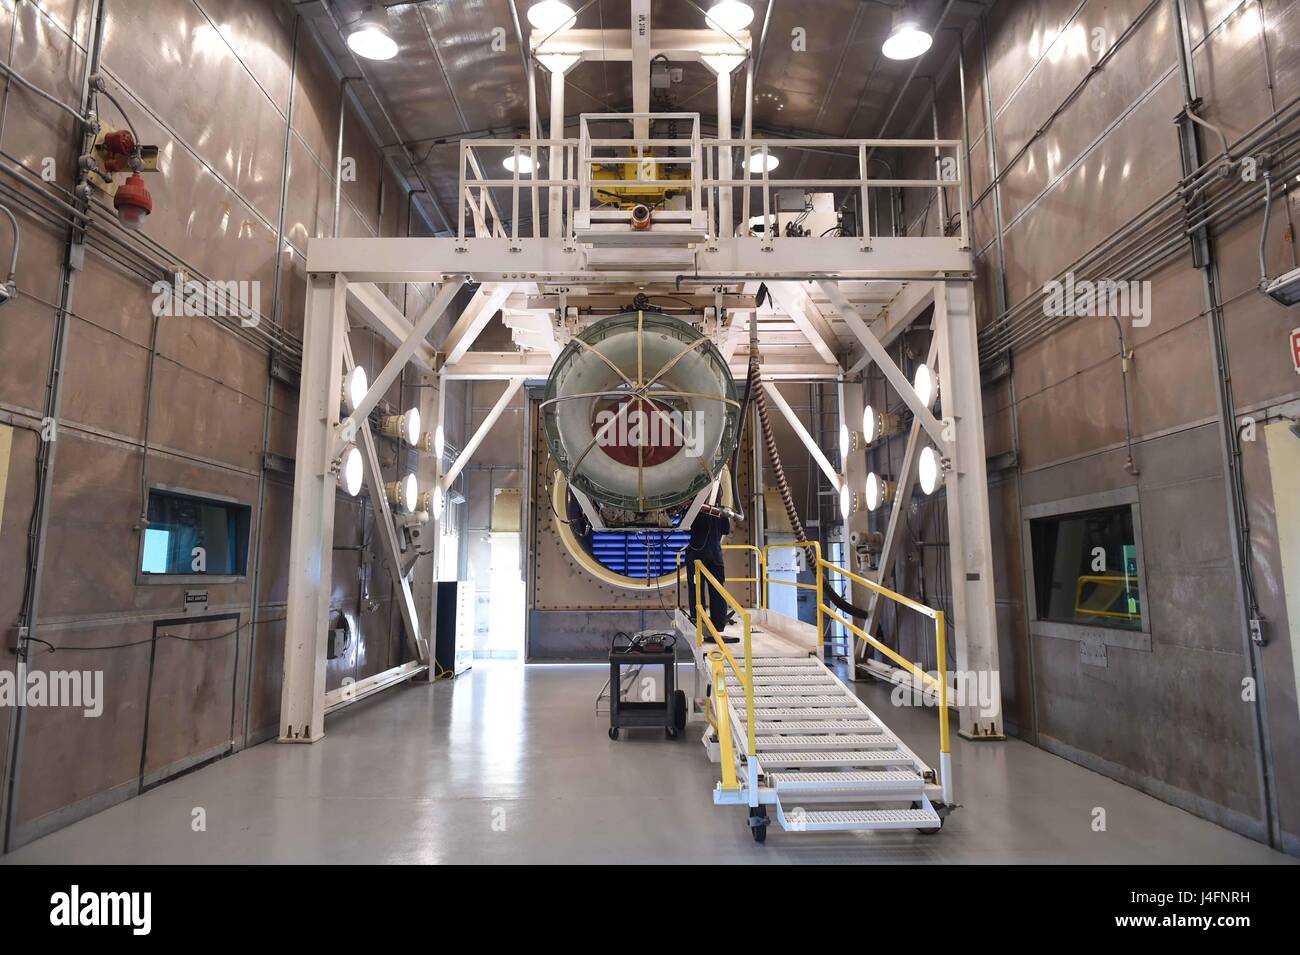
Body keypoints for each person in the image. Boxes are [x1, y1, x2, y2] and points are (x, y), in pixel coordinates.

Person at [685, 470, 738, 644]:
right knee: (717, 590)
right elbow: (725, 529)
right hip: (715, 555)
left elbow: (685, 525)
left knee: (696, 591)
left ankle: (699, 622)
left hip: (696, 553)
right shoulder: (720, 511)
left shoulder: (694, 508)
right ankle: (717, 626)